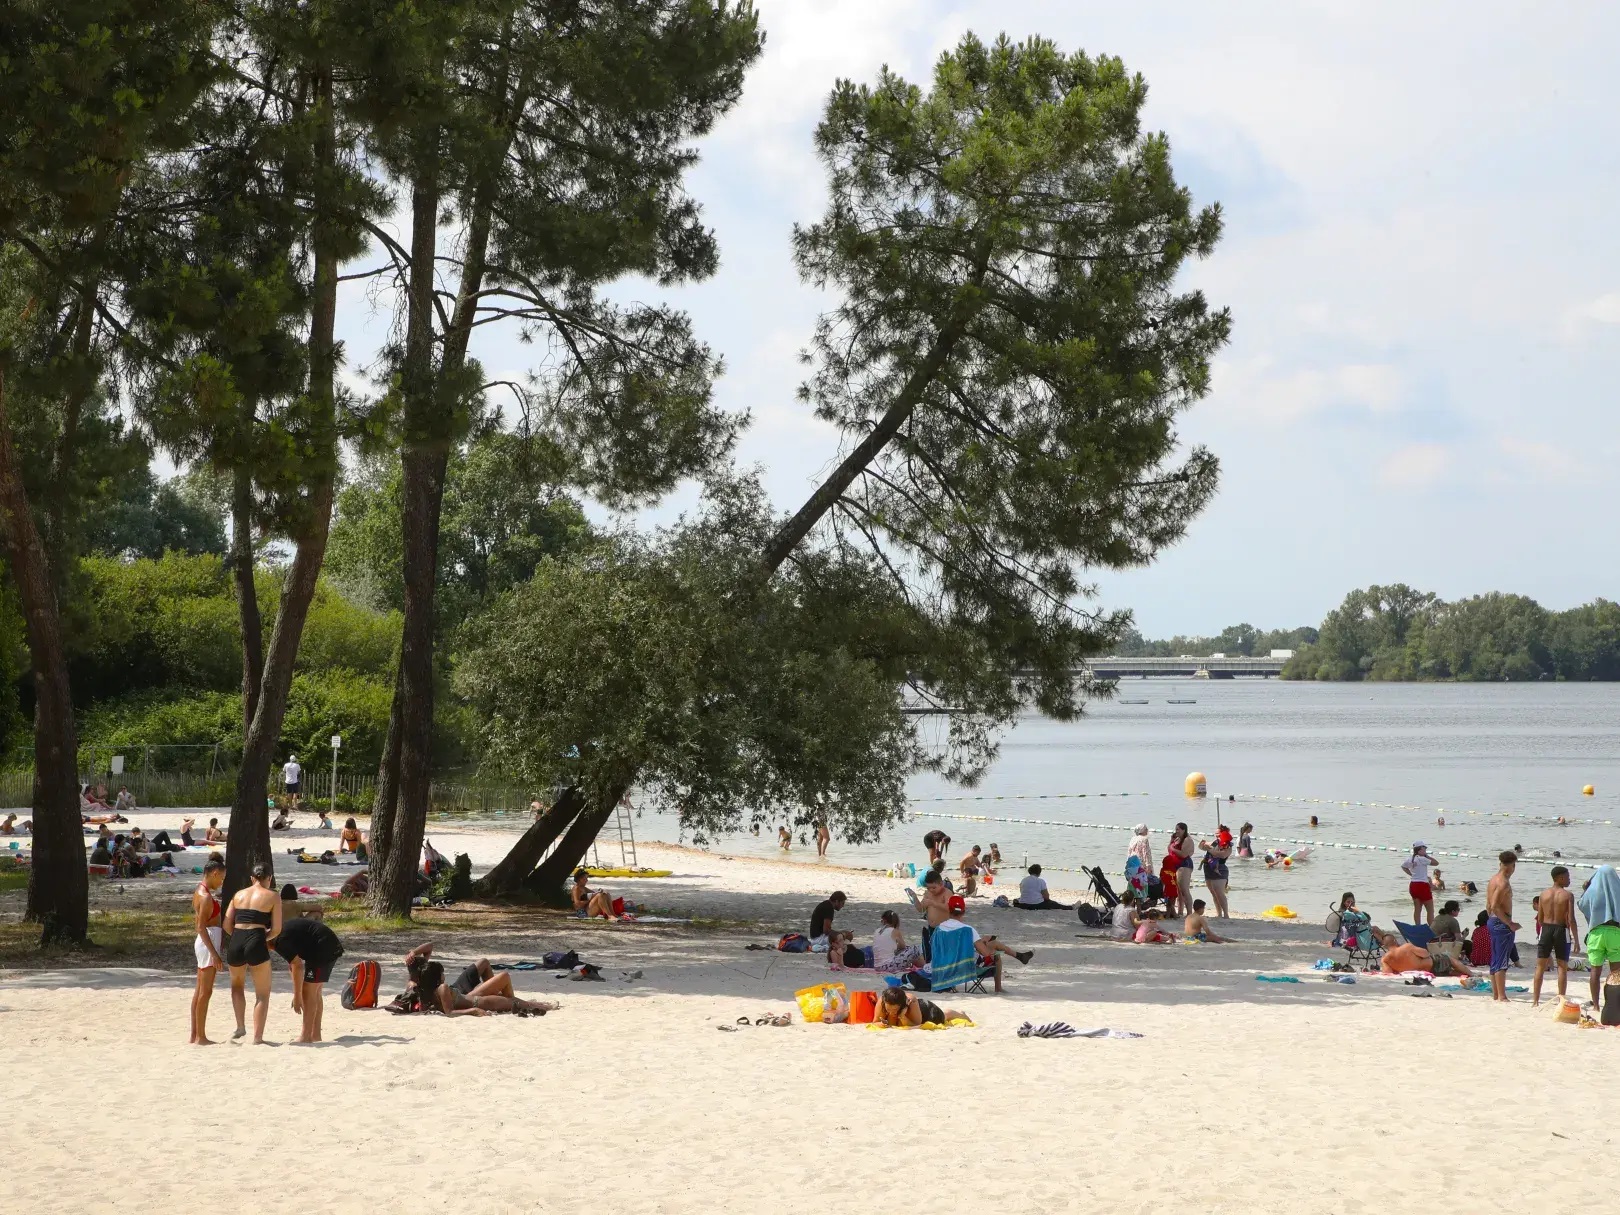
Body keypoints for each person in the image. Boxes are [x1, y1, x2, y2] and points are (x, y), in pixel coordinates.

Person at [272, 892, 345, 1043]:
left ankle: (306, 1036)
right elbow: (293, 966)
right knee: (315, 992)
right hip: (326, 945)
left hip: (323, 947)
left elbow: (298, 966)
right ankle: (315, 1035)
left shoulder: (279, 941)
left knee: (308, 992)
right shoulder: (279, 935)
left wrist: (297, 996)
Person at [224, 862, 282, 1044]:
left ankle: (240, 1026)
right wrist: (261, 938)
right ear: (269, 878)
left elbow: (226, 925)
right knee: (262, 993)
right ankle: (257, 1038)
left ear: (252, 878)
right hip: (256, 938)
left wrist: (239, 937)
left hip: (236, 939)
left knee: (237, 985)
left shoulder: (238, 895)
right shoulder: (273, 896)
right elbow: (277, 929)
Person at [932, 894, 1031, 992]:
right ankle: (999, 988)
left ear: (949, 910)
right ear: (964, 911)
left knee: (992, 943)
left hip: (943, 967)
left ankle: (1020, 956)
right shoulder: (968, 930)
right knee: (996, 952)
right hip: (965, 968)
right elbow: (985, 953)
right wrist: (982, 942)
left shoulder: (938, 929)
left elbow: (938, 948)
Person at [411, 960, 557, 1016]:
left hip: (475, 998)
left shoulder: (428, 991)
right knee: (511, 1001)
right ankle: (542, 1006)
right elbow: (450, 1012)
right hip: (479, 1002)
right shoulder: (442, 988)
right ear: (437, 977)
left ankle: (523, 1003)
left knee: (505, 977)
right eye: (442, 973)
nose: (444, 975)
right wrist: (473, 1011)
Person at [189, 859, 228, 1045]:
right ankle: (200, 1037)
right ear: (214, 874)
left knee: (199, 991)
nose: (221, 881)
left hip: (207, 941)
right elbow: (200, 927)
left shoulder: (199, 891)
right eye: (221, 877)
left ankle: (195, 1034)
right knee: (206, 991)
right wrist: (214, 953)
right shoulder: (205, 896)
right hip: (208, 942)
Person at [1533, 866, 1578, 1008]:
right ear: (1559, 877)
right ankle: (1561, 1000)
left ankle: (1535, 1001)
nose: (1570, 879)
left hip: (1545, 929)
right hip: (1561, 929)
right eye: (1567, 876)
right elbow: (1571, 919)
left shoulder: (1543, 894)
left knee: (1540, 966)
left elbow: (1539, 918)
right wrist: (1576, 940)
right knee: (1562, 966)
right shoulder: (1568, 895)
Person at [1578, 864, 1620, 1010]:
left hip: (1596, 933)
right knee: (1616, 972)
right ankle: (1614, 1004)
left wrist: (1586, 890)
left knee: (1595, 971)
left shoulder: (1593, 891)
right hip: (1615, 932)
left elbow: (1582, 904)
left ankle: (1596, 1005)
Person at [1485, 850, 1520, 1002]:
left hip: (1493, 921)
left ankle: (1495, 994)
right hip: (1501, 922)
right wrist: (1509, 923)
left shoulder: (1493, 879)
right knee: (1501, 960)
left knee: (1496, 958)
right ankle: (1501, 995)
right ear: (1511, 866)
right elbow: (1495, 906)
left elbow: (1488, 906)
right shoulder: (1503, 882)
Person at [405, 942, 494, 1001]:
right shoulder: (413, 984)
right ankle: (497, 994)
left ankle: (495, 993)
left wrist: (413, 952)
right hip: (456, 996)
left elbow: (430, 946)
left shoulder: (425, 969)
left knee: (483, 962)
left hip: (454, 988)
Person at [1379, 931, 1470, 977]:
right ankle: (1472, 974)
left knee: (1450, 971)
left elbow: (1388, 973)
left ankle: (1462, 973)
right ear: (1395, 940)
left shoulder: (1385, 959)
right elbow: (1426, 953)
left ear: (1384, 945)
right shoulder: (1407, 947)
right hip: (1432, 965)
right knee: (1450, 959)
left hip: (1428, 972)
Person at [875, 985, 966, 1028]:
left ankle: (959, 1014)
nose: (891, 1012)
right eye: (888, 1009)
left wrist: (902, 1017)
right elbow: (875, 1022)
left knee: (943, 1016)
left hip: (926, 1012)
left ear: (901, 1005)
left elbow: (917, 1025)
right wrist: (882, 1024)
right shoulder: (882, 1001)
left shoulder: (911, 1001)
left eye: (894, 1009)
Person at [1199, 826, 1233, 918]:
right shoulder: (1214, 842)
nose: (1216, 835)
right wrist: (1202, 844)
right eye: (1216, 833)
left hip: (1220, 869)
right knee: (1213, 893)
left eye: (1218, 833)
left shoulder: (1228, 845)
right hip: (1208, 868)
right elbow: (1202, 847)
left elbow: (1222, 855)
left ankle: (1226, 914)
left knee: (1219, 892)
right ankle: (1219, 913)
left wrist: (1209, 849)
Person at [1402, 842, 1438, 926]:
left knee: (1417, 909)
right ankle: (1432, 928)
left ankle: (1418, 926)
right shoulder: (1422, 859)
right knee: (1430, 910)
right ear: (1419, 850)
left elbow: (1403, 867)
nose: (1425, 850)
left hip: (1413, 884)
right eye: (1424, 849)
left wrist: (1411, 874)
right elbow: (1436, 863)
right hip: (1422, 885)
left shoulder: (1410, 859)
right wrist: (1427, 856)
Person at [1167, 823, 1196, 917]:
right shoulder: (1177, 839)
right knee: (1178, 890)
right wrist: (1171, 842)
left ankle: (1189, 913)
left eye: (1178, 829)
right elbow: (1169, 850)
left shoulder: (1188, 840)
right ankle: (1180, 911)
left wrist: (1173, 848)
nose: (1176, 831)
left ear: (1184, 830)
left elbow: (1183, 854)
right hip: (1175, 865)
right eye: (1176, 829)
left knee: (1184, 889)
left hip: (1184, 865)